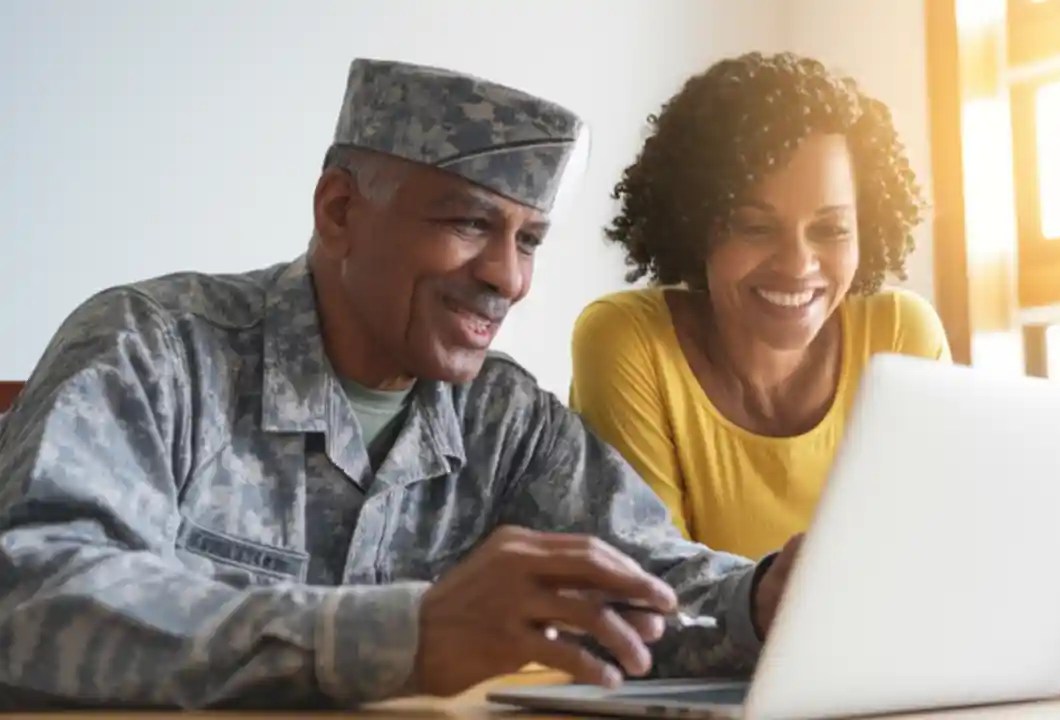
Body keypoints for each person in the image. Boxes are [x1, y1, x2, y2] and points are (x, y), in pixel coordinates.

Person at [0, 58, 800, 710]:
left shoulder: (506, 420)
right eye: (470, 224)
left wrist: (768, 599)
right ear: (340, 210)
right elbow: (34, 588)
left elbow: (650, 587)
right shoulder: (153, 350)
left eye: (528, 240)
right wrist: (401, 633)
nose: (509, 279)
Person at [568, 51, 1060, 689]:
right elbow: (646, 594)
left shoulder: (898, 332)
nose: (798, 265)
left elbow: (945, 567)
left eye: (831, 229)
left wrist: (1051, 616)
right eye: (755, 226)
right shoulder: (626, 340)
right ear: (696, 227)